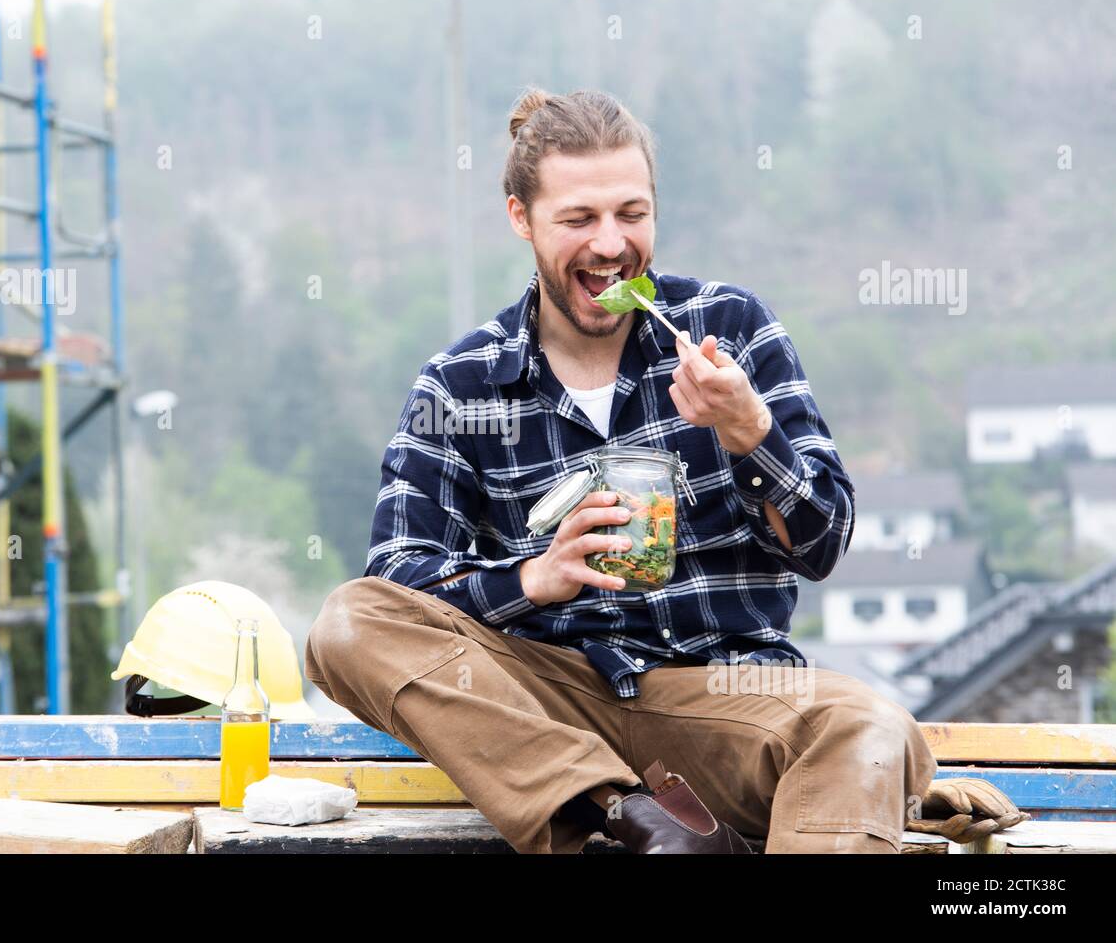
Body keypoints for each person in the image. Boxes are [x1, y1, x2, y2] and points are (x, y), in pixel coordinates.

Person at [304, 87, 1020, 854]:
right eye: (578, 220)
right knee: (348, 623)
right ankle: (627, 814)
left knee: (869, 726)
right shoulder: (459, 385)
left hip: (728, 700)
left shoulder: (732, 328)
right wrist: (531, 580)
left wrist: (752, 432)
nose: (611, 245)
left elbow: (823, 545)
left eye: (631, 214)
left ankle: (661, 818)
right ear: (521, 219)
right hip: (541, 699)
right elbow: (401, 583)